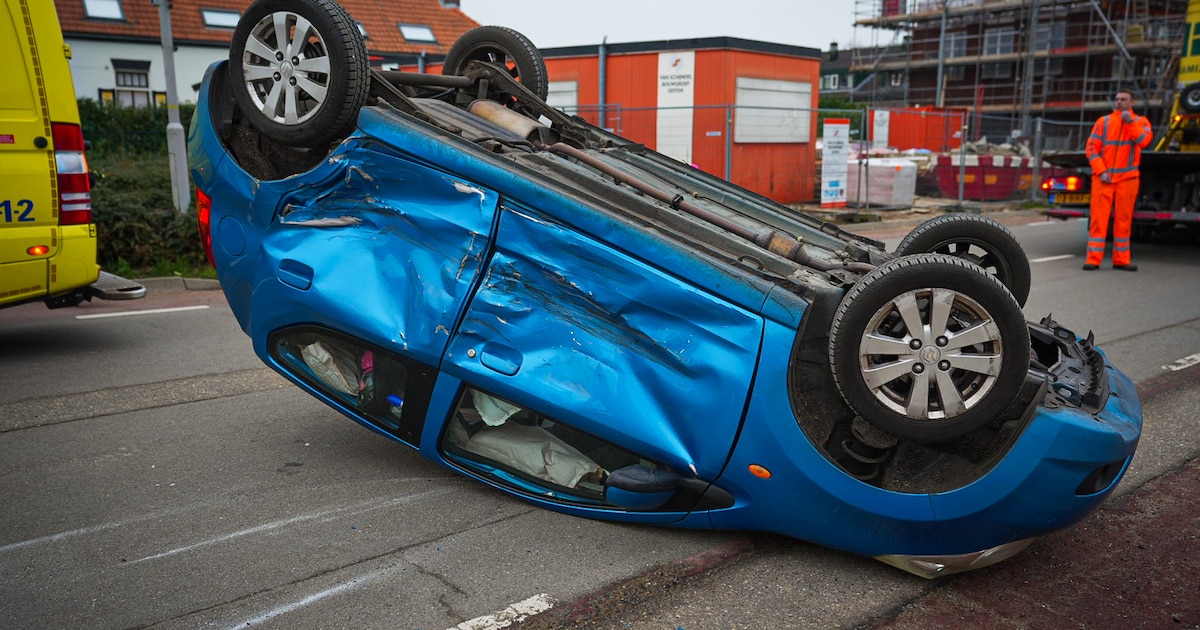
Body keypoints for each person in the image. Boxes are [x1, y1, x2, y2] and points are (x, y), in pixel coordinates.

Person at [1082, 89, 1153, 271]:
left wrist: (1130, 123)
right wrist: (1101, 170)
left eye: (1123, 99)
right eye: (1117, 99)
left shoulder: (1140, 122)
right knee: (1098, 220)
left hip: (1127, 179)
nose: (1119, 102)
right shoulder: (1103, 122)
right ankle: (1093, 260)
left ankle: (1121, 260)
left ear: (1132, 102)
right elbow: (1092, 149)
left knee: (1123, 220)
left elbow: (1145, 141)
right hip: (1103, 178)